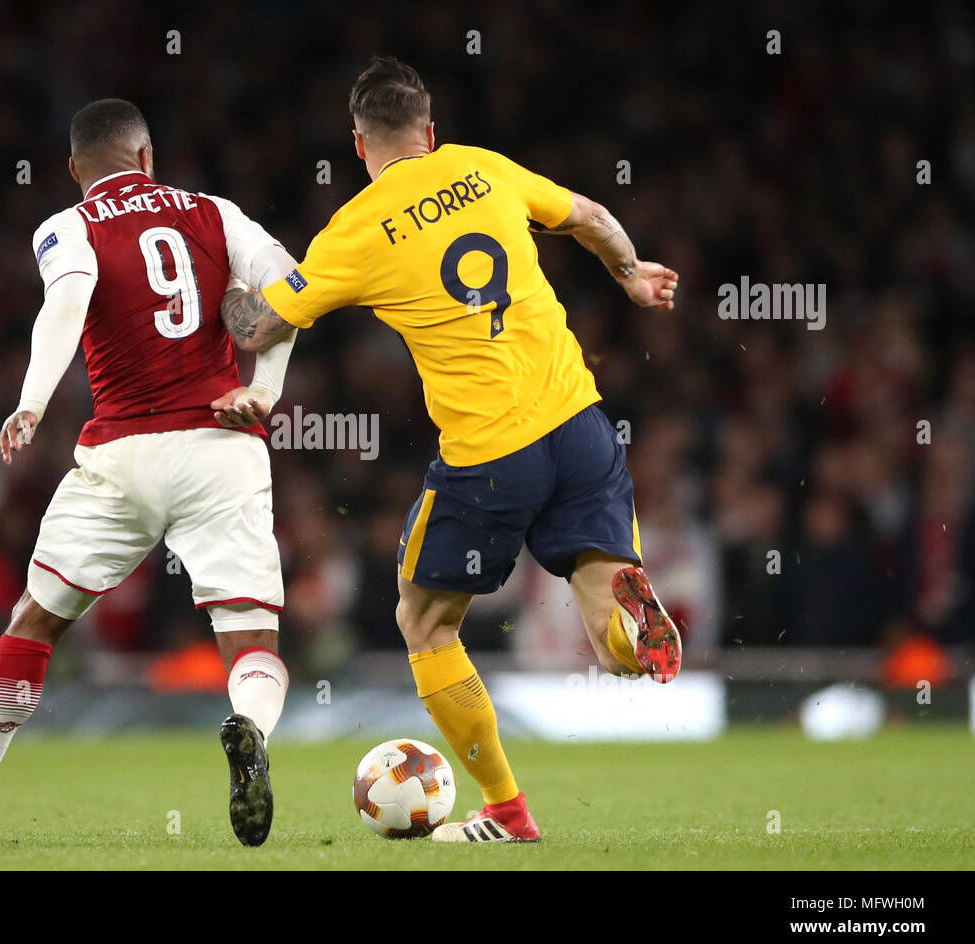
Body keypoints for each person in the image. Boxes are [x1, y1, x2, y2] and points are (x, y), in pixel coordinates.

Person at [215, 57, 683, 843]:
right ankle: (636, 629)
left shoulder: (357, 229)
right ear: (429, 132)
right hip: (580, 422)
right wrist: (632, 276)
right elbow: (593, 215)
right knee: (606, 622)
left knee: (425, 621)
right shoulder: (482, 166)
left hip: (491, 455)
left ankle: (507, 810)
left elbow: (261, 325)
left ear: (358, 143)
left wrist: (227, 282)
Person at [0, 98, 298, 847]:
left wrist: (30, 402)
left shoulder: (68, 224)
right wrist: (264, 390)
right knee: (251, 640)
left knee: (35, 621)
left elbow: (67, 300)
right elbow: (292, 288)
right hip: (221, 443)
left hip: (121, 456)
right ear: (148, 158)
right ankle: (247, 728)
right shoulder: (216, 212)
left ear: (76, 170)